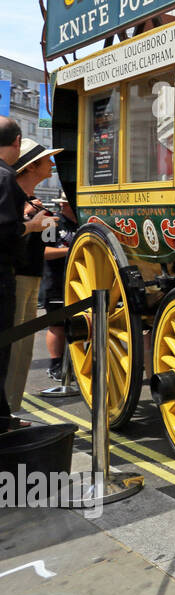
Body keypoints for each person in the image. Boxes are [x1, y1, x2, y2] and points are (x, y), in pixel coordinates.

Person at [0, 125, 54, 432]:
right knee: (12, 347)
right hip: (14, 275)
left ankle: (9, 410)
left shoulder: (36, 203)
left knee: (19, 348)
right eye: (46, 160)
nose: (52, 166)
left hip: (28, 276)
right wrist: (32, 225)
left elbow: (45, 244)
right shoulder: (11, 189)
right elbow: (11, 235)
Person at [40, 193, 76, 383]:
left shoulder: (85, 223)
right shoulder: (50, 222)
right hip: (56, 280)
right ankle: (55, 364)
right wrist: (70, 250)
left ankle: (78, 363)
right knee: (57, 325)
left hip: (78, 280)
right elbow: (44, 252)